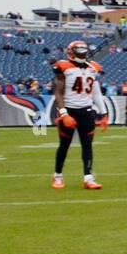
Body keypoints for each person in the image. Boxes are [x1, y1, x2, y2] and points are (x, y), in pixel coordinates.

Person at [51, 40, 107, 190]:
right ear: (71, 51)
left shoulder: (92, 68)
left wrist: (104, 113)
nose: (82, 52)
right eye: (78, 50)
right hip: (69, 109)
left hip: (86, 111)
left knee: (87, 145)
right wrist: (64, 114)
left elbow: (96, 92)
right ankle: (57, 175)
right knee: (64, 145)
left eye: (83, 49)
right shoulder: (64, 67)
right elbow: (58, 92)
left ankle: (88, 178)